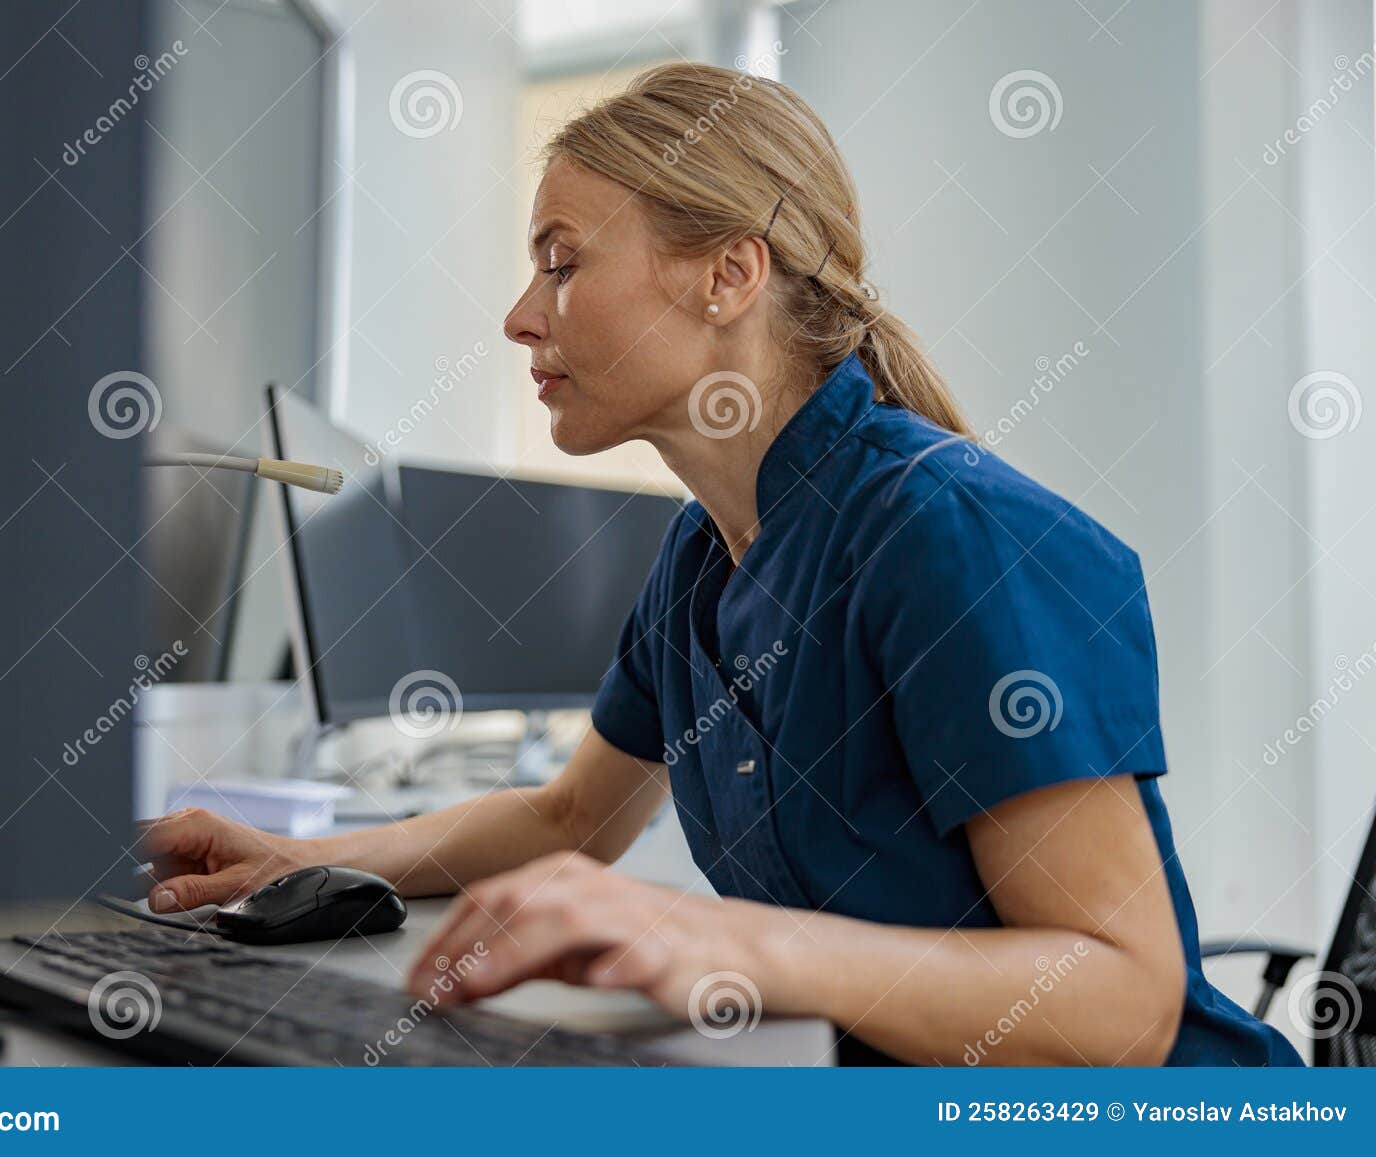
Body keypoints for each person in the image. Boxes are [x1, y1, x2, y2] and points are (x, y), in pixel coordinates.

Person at [136, 63, 1301, 1066]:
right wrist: (296, 859)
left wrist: (736, 940)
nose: (520, 317)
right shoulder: (701, 557)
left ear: (728, 274)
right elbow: (570, 814)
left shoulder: (954, 536)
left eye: (560, 261)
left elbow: (1122, 1005)